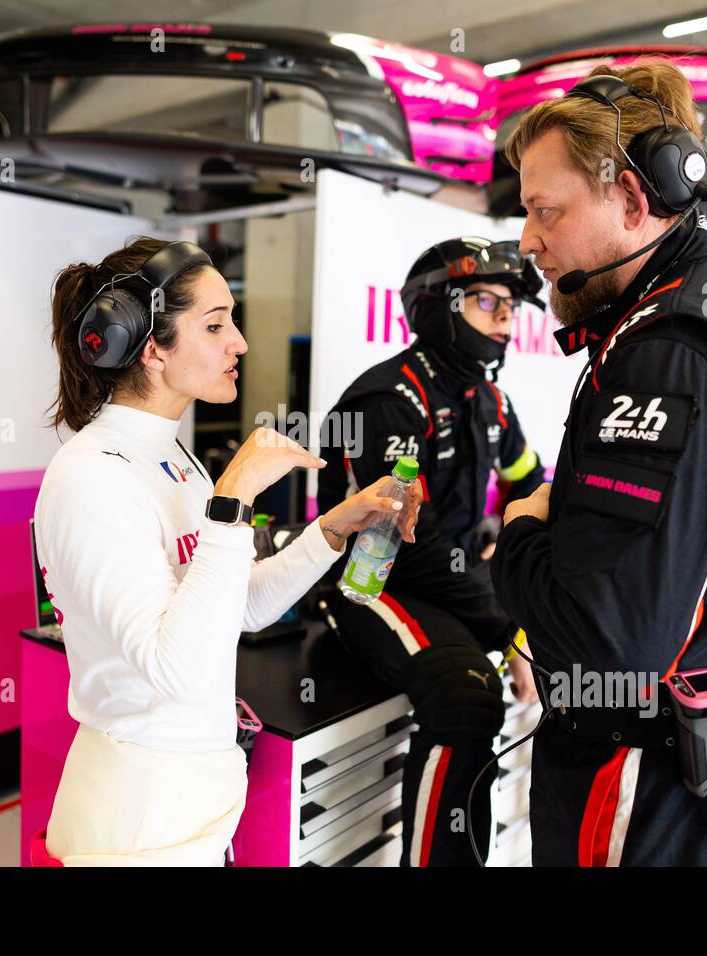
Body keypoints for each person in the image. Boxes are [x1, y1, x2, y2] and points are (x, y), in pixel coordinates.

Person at [490, 60, 707, 866]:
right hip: (701, 762)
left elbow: (612, 639)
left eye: (544, 210)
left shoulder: (672, 354)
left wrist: (521, 534)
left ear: (634, 202)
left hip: (641, 783)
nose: (528, 240)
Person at [34, 237, 419, 865]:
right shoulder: (91, 475)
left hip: (193, 792)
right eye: (215, 326)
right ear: (151, 347)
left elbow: (236, 608)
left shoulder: (174, 459)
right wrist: (232, 498)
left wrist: (335, 528)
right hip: (139, 810)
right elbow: (177, 669)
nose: (239, 343)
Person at [315, 237, 548, 866]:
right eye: (486, 301)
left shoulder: (490, 399)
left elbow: (532, 488)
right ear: (437, 307)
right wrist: (512, 629)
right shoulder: (390, 401)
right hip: (371, 585)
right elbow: (409, 551)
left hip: (453, 585)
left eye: (510, 307)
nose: (505, 319)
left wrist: (519, 559)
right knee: (465, 696)